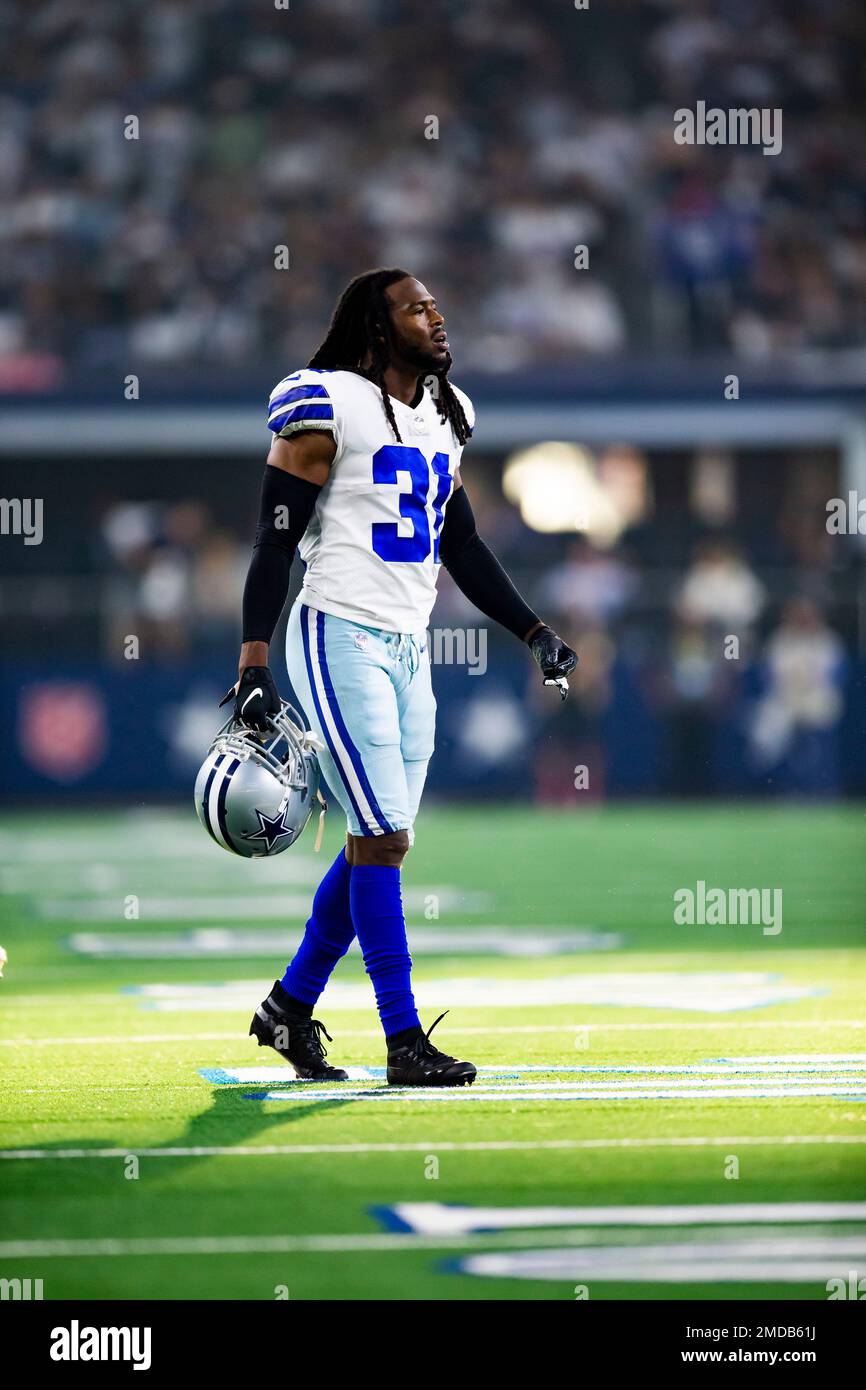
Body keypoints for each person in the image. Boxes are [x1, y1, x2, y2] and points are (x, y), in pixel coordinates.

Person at [224, 267, 576, 1086]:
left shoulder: (447, 417)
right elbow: (274, 542)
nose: (436, 317)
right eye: (417, 308)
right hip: (336, 632)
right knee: (379, 839)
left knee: (383, 841)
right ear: (379, 328)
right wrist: (253, 657)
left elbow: (462, 545)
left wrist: (533, 630)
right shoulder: (328, 402)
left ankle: (286, 1009)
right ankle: (403, 1040)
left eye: (437, 305)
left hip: (409, 647)